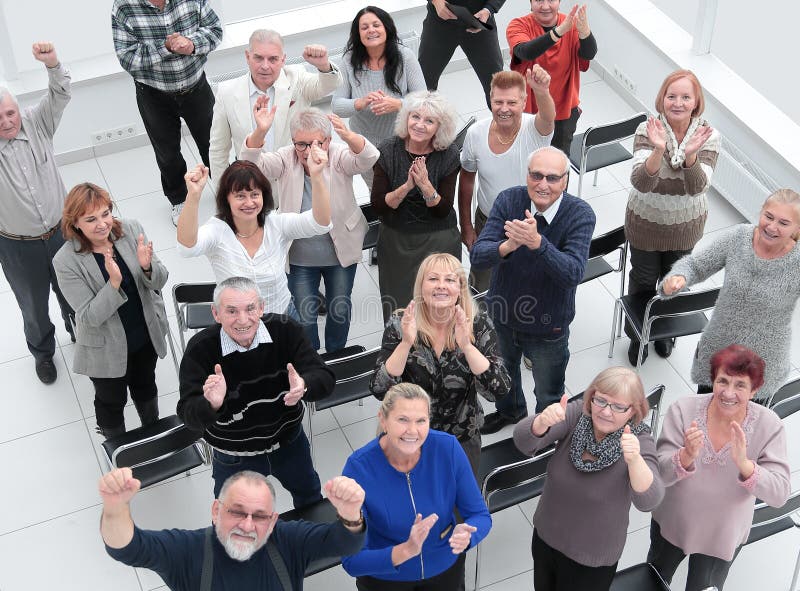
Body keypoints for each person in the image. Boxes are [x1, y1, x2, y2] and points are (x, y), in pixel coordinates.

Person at [177, 276, 335, 506]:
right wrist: (211, 404)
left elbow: (326, 379)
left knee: (310, 497)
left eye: (250, 308)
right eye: (231, 311)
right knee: (231, 517)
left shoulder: (286, 330)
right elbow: (187, 414)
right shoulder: (200, 349)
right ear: (215, 314)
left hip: (289, 444)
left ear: (261, 308)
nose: (243, 320)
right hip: (234, 457)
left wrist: (304, 384)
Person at [471, 146, 595, 434]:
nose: (543, 184)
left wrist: (539, 244)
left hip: (548, 325)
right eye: (536, 175)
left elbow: (573, 273)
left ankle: (545, 432)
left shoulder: (580, 214)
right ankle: (511, 413)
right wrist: (508, 246)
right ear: (527, 175)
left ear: (565, 180)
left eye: (552, 178)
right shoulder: (508, 200)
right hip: (501, 316)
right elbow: (479, 256)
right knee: (503, 375)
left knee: (548, 392)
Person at [648, 345, 790, 591]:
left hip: (722, 535)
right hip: (672, 522)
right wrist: (685, 456)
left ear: (755, 390)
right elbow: (658, 475)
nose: (728, 393)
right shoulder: (683, 409)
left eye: (740, 385)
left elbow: (779, 494)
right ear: (712, 380)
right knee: (653, 581)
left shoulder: (770, 426)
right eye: (723, 381)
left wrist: (746, 465)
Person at [239, 107, 379, 352]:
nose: (308, 151)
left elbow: (369, 158)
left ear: (328, 140)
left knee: (340, 309)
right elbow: (249, 164)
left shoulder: (337, 155)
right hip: (299, 257)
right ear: (293, 142)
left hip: (340, 253)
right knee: (304, 317)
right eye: (301, 144)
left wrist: (348, 136)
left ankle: (337, 354)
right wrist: (261, 131)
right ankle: (310, 357)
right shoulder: (286, 158)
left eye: (317, 143)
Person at [513, 367, 664, 591]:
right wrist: (541, 422)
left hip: (591, 560)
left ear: (633, 411)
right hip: (547, 538)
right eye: (600, 400)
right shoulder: (577, 415)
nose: (605, 412)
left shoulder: (639, 440)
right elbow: (524, 443)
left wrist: (634, 461)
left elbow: (649, 501)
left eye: (618, 406)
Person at [100, 467, 366, 590]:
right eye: (237, 512)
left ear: (273, 521)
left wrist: (350, 512)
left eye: (259, 516)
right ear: (216, 511)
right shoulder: (187, 551)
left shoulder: (287, 540)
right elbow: (128, 548)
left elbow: (345, 543)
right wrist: (115, 507)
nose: (247, 525)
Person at [370, 253, 510, 474]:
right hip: (408, 436)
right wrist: (406, 343)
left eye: (450, 280)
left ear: (460, 288)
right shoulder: (401, 324)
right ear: (421, 285)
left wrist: (467, 346)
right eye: (433, 279)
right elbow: (379, 389)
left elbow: (499, 389)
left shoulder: (478, 324)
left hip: (462, 438)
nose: (441, 286)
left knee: (458, 505)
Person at [342, 383, 492, 590]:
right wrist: (406, 550)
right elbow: (351, 562)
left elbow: (480, 516)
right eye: (402, 419)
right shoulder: (358, 468)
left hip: (445, 571)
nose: (412, 431)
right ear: (383, 420)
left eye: (421, 421)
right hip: (386, 580)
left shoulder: (447, 448)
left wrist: (469, 535)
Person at [660, 189, 800, 401]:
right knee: (705, 414)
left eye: (783, 223)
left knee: (744, 428)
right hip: (719, 350)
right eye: (768, 217)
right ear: (761, 212)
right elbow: (696, 265)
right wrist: (679, 277)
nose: (771, 227)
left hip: (762, 363)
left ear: (797, 228)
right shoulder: (739, 238)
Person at [53, 184, 169, 439]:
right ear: (75, 223)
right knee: (111, 401)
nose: (103, 224)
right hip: (105, 347)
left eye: (106, 213)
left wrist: (147, 267)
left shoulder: (131, 229)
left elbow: (159, 282)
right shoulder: (65, 261)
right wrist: (113, 283)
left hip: (145, 334)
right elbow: (88, 317)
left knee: (145, 384)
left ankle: (152, 430)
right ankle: (117, 448)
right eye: (91, 219)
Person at [625, 70, 719, 366]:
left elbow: (697, 187)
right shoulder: (647, 130)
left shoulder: (709, 137)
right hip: (645, 225)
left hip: (684, 228)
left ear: (696, 102)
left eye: (685, 97)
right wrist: (658, 148)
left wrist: (690, 156)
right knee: (642, 282)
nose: (677, 103)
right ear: (662, 99)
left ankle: (664, 333)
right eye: (671, 96)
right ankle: (636, 334)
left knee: (674, 283)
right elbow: (642, 182)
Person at [177, 153, 332, 317]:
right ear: (226, 199)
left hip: (282, 315)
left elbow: (320, 223)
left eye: (255, 194)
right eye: (240, 196)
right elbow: (187, 248)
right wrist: (193, 196)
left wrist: (317, 177)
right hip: (237, 323)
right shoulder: (217, 230)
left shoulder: (276, 224)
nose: (249, 203)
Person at [0, 42, 74, 384]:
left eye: (9, 113)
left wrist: (53, 63)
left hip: (62, 231)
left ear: (18, 110)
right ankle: (43, 354)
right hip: (18, 246)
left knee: (73, 289)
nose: (5, 122)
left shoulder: (37, 122)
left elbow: (60, 92)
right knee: (33, 305)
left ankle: (82, 334)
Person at [111, 0, 222, 225]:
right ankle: (179, 199)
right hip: (154, 94)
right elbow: (127, 58)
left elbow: (215, 31)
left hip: (196, 87)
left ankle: (227, 189)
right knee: (167, 153)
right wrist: (166, 47)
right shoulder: (124, 6)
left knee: (214, 143)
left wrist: (191, 43)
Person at [209, 29, 341, 196]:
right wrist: (224, 193)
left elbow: (327, 86)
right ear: (247, 56)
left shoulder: (297, 77)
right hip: (251, 186)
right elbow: (218, 149)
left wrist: (323, 65)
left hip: (296, 181)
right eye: (258, 58)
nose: (265, 66)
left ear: (283, 59)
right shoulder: (227, 92)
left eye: (273, 59)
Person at [459, 67, 555, 292]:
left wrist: (542, 91)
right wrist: (466, 225)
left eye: (511, 103)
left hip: (529, 224)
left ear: (524, 102)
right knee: (482, 288)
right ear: (490, 100)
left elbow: (548, 118)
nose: (504, 109)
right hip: (488, 222)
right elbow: (466, 179)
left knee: (526, 288)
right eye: (498, 102)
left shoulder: (534, 129)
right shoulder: (475, 133)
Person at [370, 90, 462, 323]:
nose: (420, 125)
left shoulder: (449, 155)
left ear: (439, 127)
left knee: (440, 304)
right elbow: (379, 207)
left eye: (429, 121)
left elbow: (443, 211)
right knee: (400, 306)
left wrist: (425, 186)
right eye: (415, 117)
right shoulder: (388, 150)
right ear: (405, 118)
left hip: (438, 239)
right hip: (396, 240)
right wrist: (407, 187)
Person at [332, 6, 427, 188]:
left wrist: (398, 104)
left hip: (402, 139)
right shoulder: (348, 61)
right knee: (377, 190)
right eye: (364, 27)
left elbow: (424, 100)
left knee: (408, 187)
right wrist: (360, 102)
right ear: (358, 33)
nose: (371, 30)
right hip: (364, 144)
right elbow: (337, 106)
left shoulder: (405, 56)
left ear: (386, 28)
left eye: (376, 25)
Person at [507, 1, 597, 153]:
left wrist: (586, 33)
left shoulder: (571, 25)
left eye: (551, 0)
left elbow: (588, 54)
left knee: (558, 163)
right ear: (530, 2)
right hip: (529, 111)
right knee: (526, 159)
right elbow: (525, 52)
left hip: (564, 111)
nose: (545, 6)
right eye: (539, 0)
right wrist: (558, 32)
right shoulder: (518, 25)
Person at [418, 0, 505, 107]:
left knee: (497, 86)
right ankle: (423, 121)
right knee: (422, 84)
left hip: (479, 20)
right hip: (439, 21)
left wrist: (488, 10)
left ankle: (504, 122)